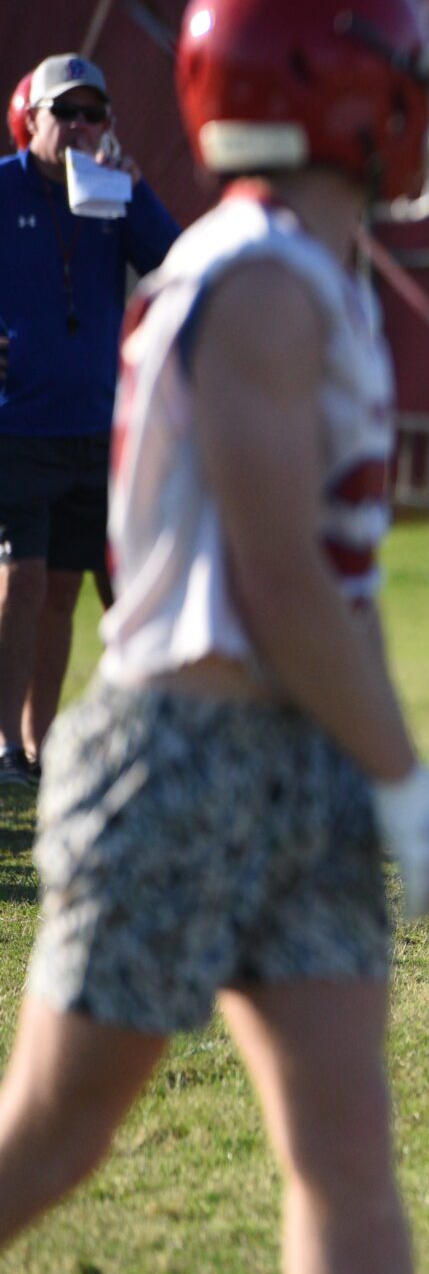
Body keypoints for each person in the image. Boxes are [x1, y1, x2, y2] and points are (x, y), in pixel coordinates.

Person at [0, 0, 429, 1274]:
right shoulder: (264, 276)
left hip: (296, 755)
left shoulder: (322, 270)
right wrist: (404, 778)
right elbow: (274, 571)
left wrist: (379, 752)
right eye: (402, 78)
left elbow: (343, 578)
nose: (422, 108)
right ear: (343, 91)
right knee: (55, 1136)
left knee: (347, 1155)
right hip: (185, 753)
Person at [0, 53, 182, 789]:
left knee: (68, 586)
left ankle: (41, 745)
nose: (77, 126)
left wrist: (134, 193)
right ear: (31, 117)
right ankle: (4, 743)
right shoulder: (4, 185)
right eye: (64, 111)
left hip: (97, 426)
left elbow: (174, 264)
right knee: (24, 575)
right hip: (18, 424)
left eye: (92, 113)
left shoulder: (112, 194)